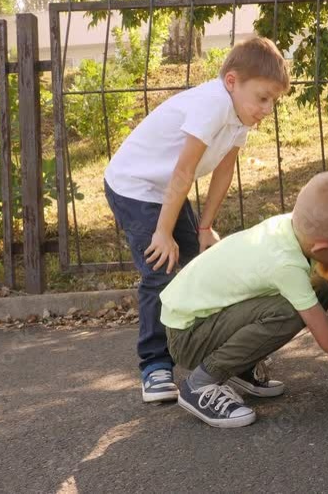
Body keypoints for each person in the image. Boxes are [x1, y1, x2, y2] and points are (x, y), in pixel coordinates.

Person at [104, 37, 290, 403]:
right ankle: (155, 366)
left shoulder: (240, 114)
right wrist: (162, 233)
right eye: (263, 97)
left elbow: (224, 172)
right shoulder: (213, 103)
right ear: (232, 81)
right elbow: (183, 172)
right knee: (162, 268)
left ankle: (226, 362)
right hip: (135, 186)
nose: (267, 108)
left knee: (201, 270)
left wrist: (204, 229)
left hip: (165, 189)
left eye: (273, 101)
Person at [159, 171, 328, 428]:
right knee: (291, 309)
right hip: (188, 336)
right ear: (322, 247)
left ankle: (239, 367)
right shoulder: (285, 264)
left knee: (318, 289)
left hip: (202, 319)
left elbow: (327, 269)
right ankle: (200, 384)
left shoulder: (293, 227)